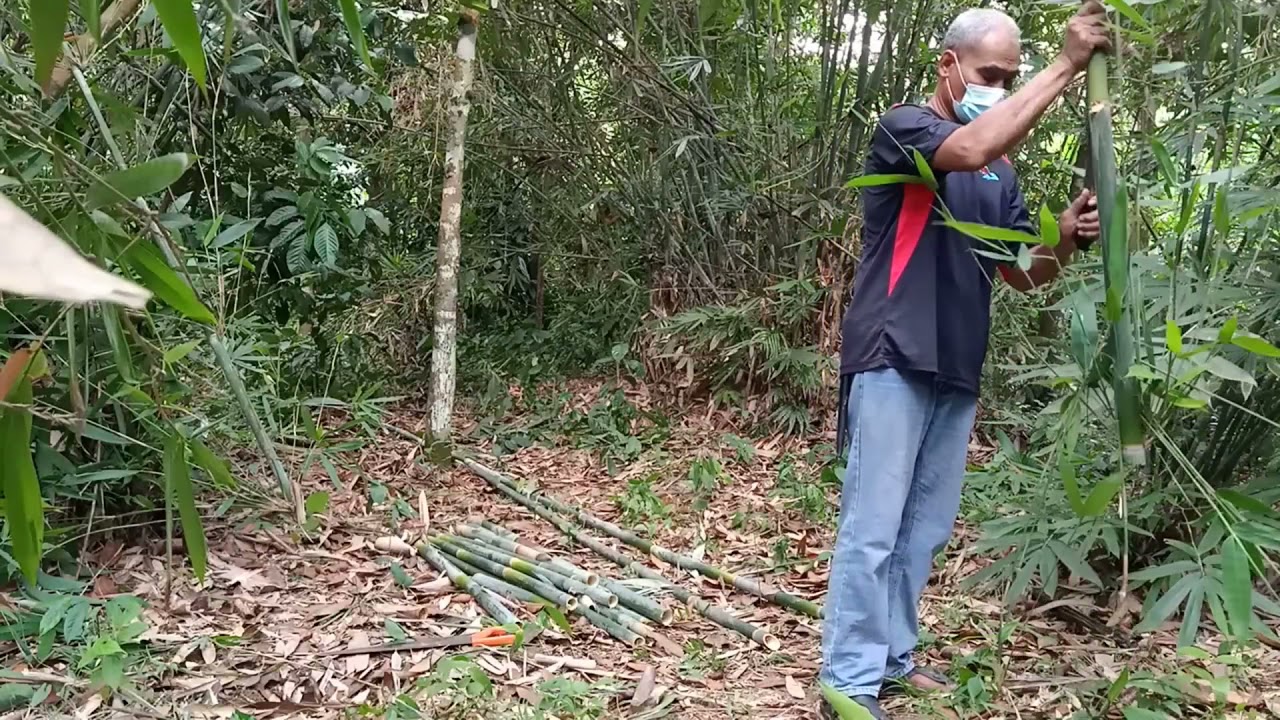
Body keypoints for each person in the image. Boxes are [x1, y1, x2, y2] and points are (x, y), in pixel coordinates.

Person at [819, 3, 1111, 718]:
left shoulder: (1000, 175)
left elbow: (1023, 272)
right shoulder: (905, 128)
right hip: (892, 352)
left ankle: (893, 657)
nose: (1001, 86)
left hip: (957, 363)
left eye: (1012, 76)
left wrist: (1066, 237)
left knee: (924, 530)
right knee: (874, 525)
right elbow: (972, 147)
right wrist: (1067, 65)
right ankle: (846, 683)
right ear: (947, 65)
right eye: (991, 74)